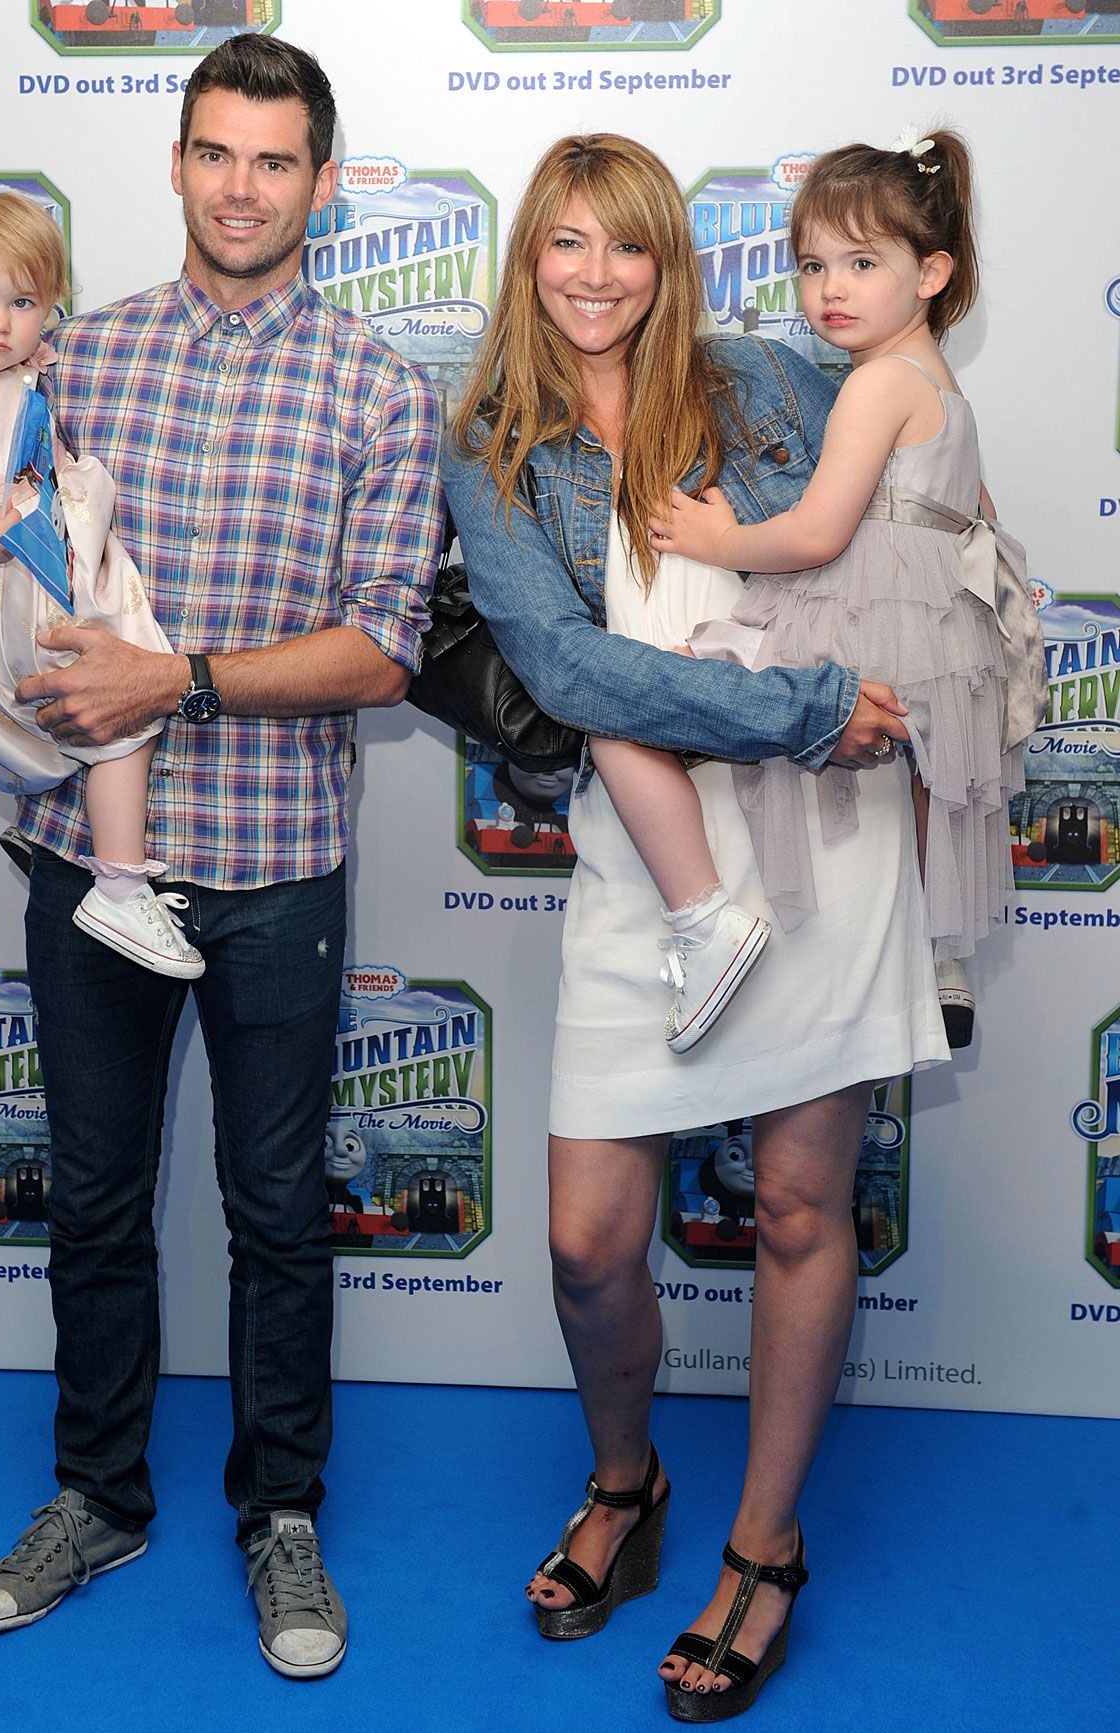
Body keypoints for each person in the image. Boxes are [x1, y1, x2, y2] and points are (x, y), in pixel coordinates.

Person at [0, 35, 444, 1679]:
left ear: (322, 181)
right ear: (173, 163)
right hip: (87, 861)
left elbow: (383, 648)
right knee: (92, 1201)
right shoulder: (74, 360)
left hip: (278, 863)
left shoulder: (377, 382)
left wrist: (185, 676)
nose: (242, 185)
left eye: (275, 159)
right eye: (216, 153)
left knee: (277, 1211)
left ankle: (279, 1513)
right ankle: (97, 1495)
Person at [441, 133, 947, 1721]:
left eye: (631, 248)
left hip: (827, 847)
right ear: (528, 256)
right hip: (655, 857)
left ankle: (765, 1543)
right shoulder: (490, 442)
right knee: (591, 1241)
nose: (596, 278)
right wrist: (797, 706)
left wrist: (848, 701)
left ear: (674, 260)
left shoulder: (774, 380)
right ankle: (627, 1479)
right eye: (565, 245)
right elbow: (571, 675)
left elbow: (889, 558)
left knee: (802, 1212)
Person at [614, 128, 1018, 1054]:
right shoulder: (942, 383)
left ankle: (721, 919)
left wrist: (721, 536)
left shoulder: (876, 385)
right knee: (928, 791)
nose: (830, 289)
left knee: (683, 679)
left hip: (867, 608)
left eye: (862, 262)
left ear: (931, 273)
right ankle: (939, 961)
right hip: (943, 628)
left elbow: (818, 531)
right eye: (812, 265)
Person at [0, 189, 204, 980]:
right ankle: (118, 882)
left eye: (23, 302)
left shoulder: (25, 371)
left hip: (44, 571)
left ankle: (98, 857)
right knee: (114, 719)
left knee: (132, 687)